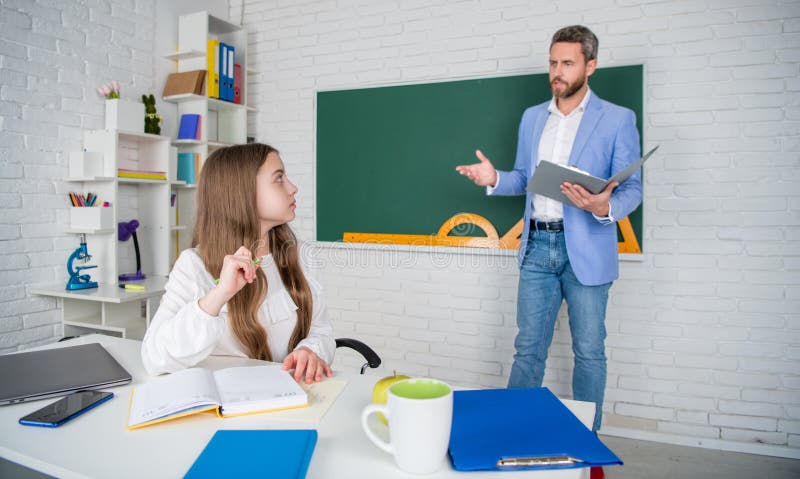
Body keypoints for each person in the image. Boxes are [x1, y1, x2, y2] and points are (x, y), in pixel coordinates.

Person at [456, 25, 642, 431]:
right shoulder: (531, 118)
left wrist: (603, 204)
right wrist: (494, 179)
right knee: (527, 350)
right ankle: (511, 432)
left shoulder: (617, 120)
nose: (557, 72)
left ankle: (584, 439)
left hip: (588, 247)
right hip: (538, 244)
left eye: (568, 63)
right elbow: (525, 177)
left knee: (589, 351)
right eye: (553, 62)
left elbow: (632, 188)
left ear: (590, 66)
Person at [142, 144, 335, 384]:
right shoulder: (193, 266)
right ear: (242, 193)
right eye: (279, 179)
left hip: (286, 396)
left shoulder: (300, 254)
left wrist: (310, 351)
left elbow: (321, 331)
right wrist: (220, 294)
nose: (293, 188)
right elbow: (154, 358)